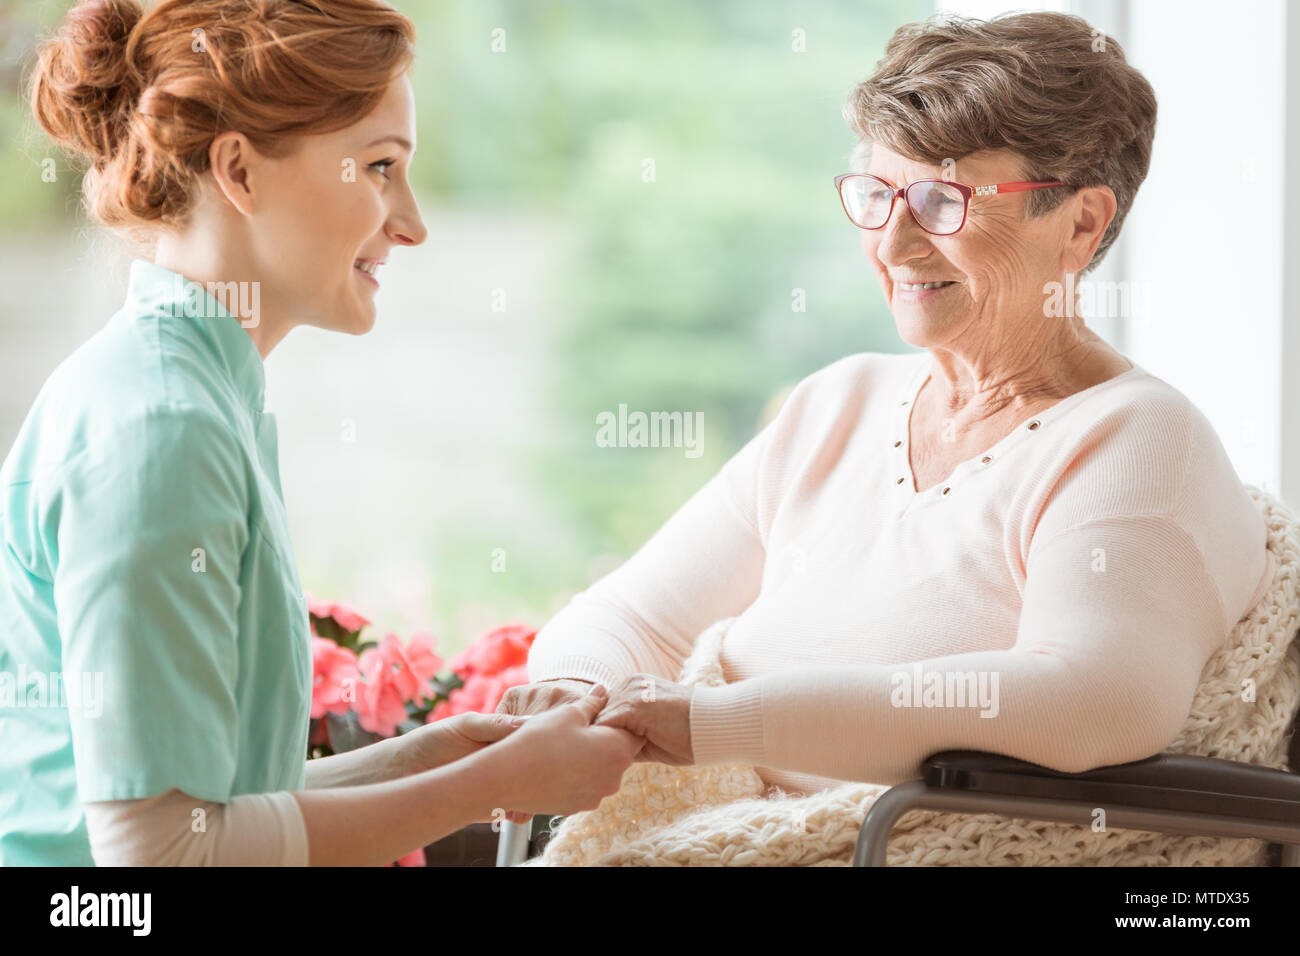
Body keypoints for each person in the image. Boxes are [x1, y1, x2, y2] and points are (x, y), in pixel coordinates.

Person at [500, 11, 1272, 816]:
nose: (895, 244)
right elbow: (630, 616)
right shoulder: (839, 404)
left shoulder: (1136, 438)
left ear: (1080, 222)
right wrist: (573, 693)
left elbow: (1093, 700)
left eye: (943, 200)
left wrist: (716, 723)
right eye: (878, 192)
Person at [0, 0, 639, 866]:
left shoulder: (198, 395)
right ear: (240, 172)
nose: (411, 222)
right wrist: (492, 786)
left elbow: (221, 804)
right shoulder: (162, 430)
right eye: (379, 167)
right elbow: (161, 854)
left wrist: (444, 754)